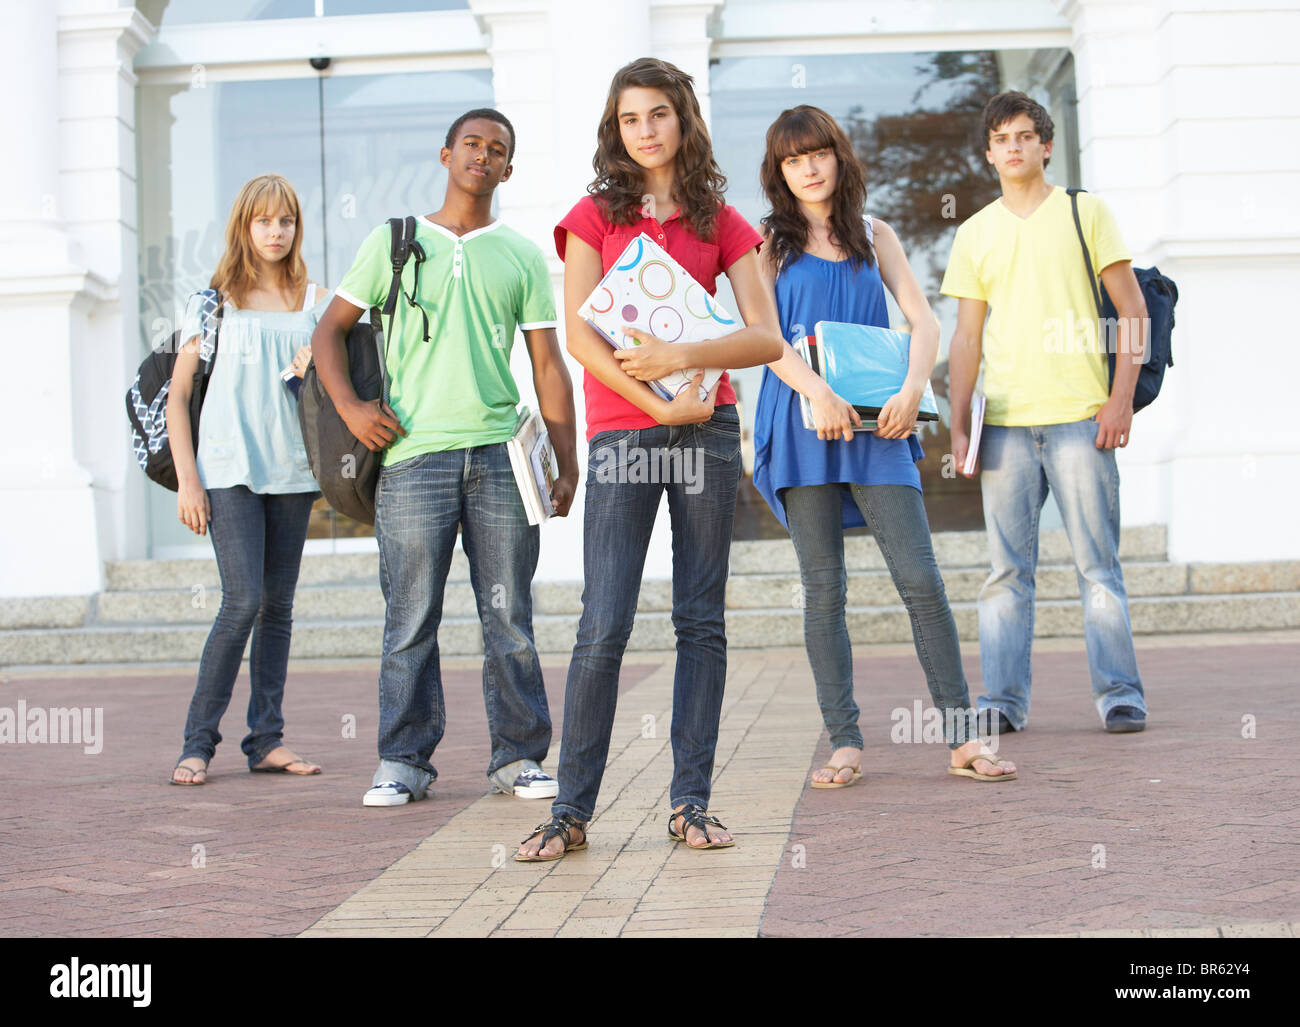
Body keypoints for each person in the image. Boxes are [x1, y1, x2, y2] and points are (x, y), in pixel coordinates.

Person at [515, 57, 784, 862]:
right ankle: (569, 810)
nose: (646, 130)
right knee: (604, 621)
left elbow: (765, 335)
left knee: (701, 620)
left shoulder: (722, 218)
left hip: (707, 429)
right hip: (624, 435)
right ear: (616, 129)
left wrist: (683, 355)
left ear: (683, 119)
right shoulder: (594, 215)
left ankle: (691, 802)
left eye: (659, 114)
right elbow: (579, 338)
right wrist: (658, 396)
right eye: (631, 119)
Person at [312, 108, 579, 808]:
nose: (482, 157)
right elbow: (328, 334)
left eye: (497, 150)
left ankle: (518, 757)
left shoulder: (520, 254)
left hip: (500, 457)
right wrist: (350, 407)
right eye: (471, 145)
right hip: (412, 457)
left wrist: (567, 458)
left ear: (508, 169)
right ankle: (403, 760)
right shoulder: (393, 241)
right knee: (409, 619)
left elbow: (547, 364)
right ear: (446, 154)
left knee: (510, 618)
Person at [751, 105, 1016, 789]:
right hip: (805, 420)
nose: (808, 167)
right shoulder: (768, 245)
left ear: (839, 156)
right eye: (792, 159)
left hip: (881, 420)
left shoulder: (877, 234)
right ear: (779, 172)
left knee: (921, 581)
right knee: (824, 590)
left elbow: (922, 318)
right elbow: (766, 338)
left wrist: (912, 387)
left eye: (818, 153)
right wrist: (817, 392)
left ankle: (962, 738)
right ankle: (844, 740)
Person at [943, 91, 1149, 734]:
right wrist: (958, 426)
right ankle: (1002, 702)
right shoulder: (975, 232)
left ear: (1046, 145)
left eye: (1025, 135)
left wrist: (1119, 401)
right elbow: (967, 338)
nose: (1014, 146)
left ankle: (1120, 695)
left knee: (1098, 567)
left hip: (1080, 417)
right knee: (1007, 573)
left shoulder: (1085, 213)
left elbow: (1134, 313)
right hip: (1002, 424)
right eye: (1002, 137)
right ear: (989, 153)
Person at [168, 173, 326, 785]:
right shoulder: (212, 302)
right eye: (264, 221)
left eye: (285, 220)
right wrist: (189, 480)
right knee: (243, 601)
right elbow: (179, 397)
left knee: (279, 607)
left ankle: (266, 739)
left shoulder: (317, 299)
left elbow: (350, 370)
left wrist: (319, 353)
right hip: (229, 469)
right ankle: (197, 742)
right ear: (244, 226)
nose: (276, 231)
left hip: (292, 471)